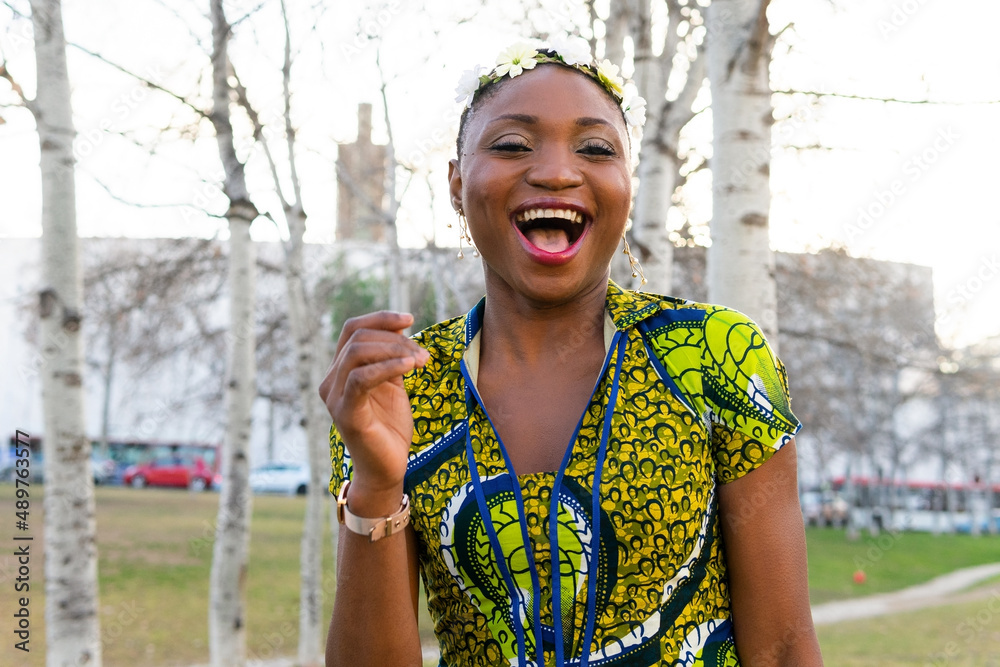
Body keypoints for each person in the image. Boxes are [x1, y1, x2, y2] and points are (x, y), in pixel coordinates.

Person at [320, 37, 824, 667]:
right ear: (456, 183)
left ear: (628, 187)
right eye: (511, 145)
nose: (557, 171)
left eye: (594, 148)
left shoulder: (712, 355)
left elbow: (781, 648)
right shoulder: (398, 386)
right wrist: (374, 484)